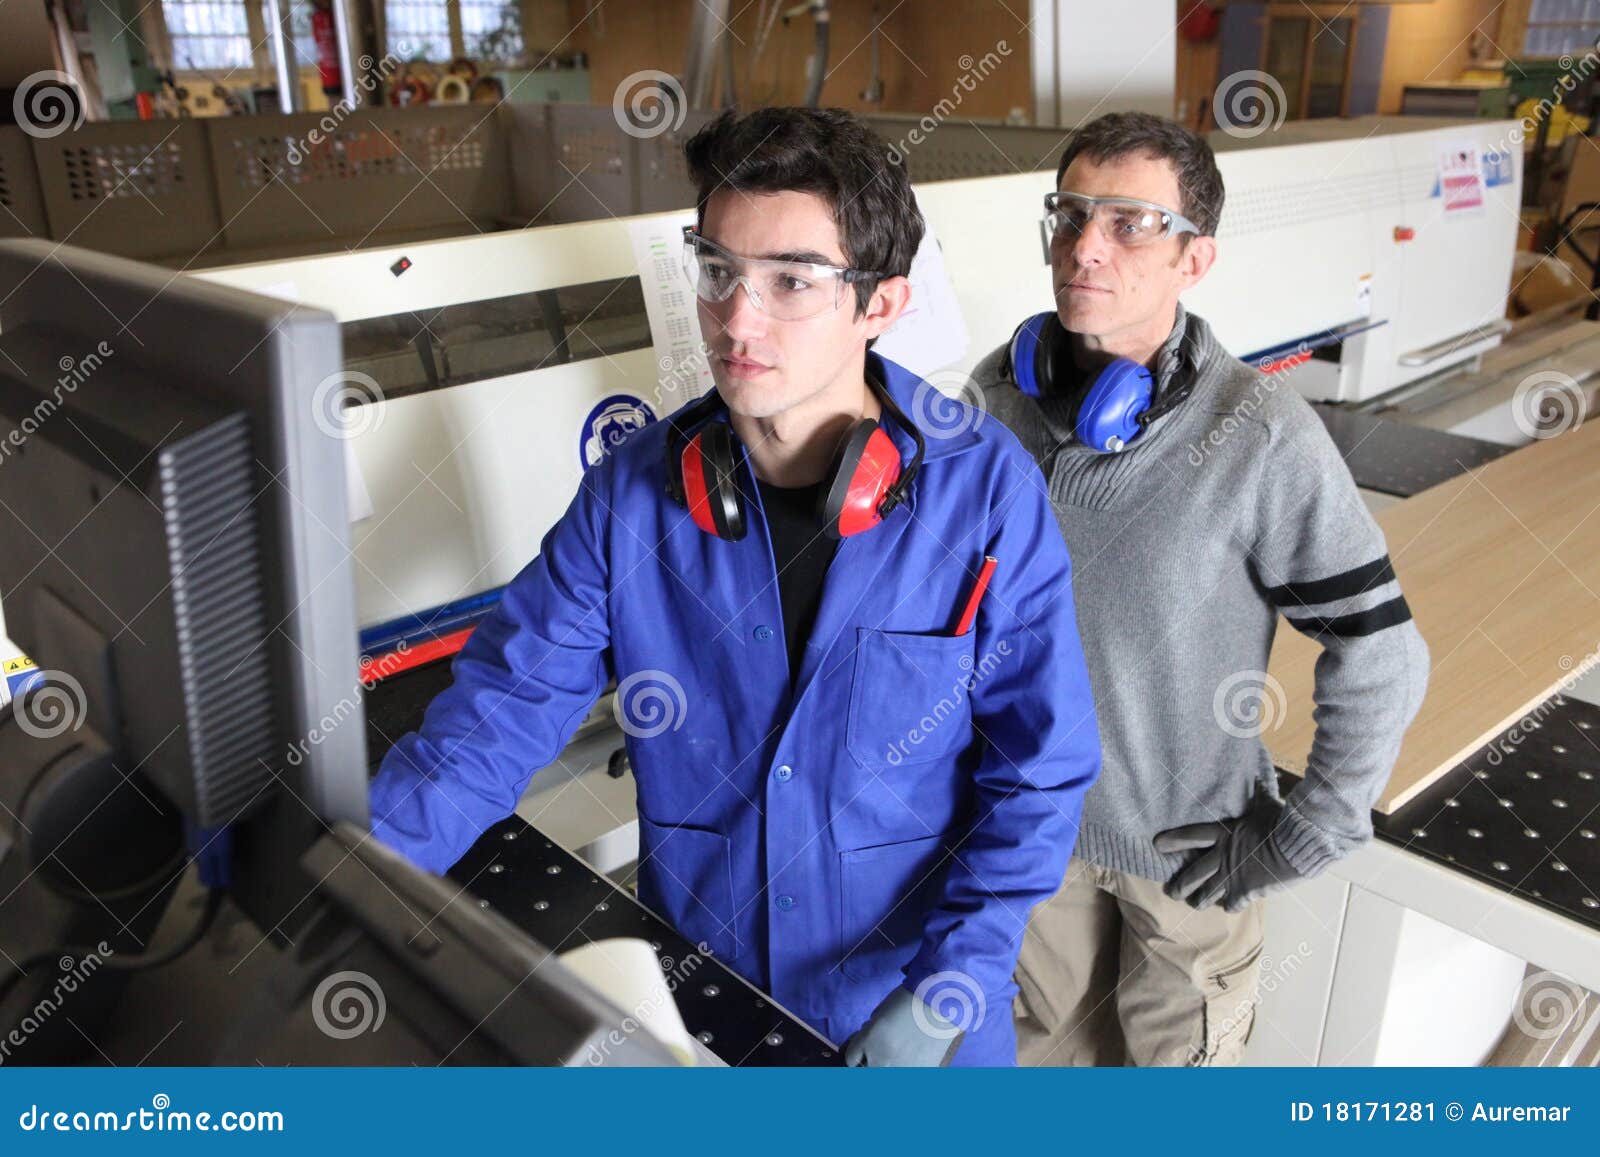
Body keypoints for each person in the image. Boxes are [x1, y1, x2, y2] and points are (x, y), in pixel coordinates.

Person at [367, 106, 1102, 1066]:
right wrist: (349, 871)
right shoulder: (630, 498)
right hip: (709, 1011)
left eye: (791, 280)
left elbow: (1039, 770)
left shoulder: (985, 493)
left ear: (882, 304)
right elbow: (491, 724)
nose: (737, 320)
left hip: (916, 1023)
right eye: (718, 271)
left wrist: (948, 988)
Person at [974, 111, 1429, 1066]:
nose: (1086, 247)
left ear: (1196, 259)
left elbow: (1382, 648)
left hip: (1188, 862)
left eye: (1131, 223)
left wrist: (1308, 832)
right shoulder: (998, 399)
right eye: (1071, 214)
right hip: (1030, 841)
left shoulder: (1256, 433)